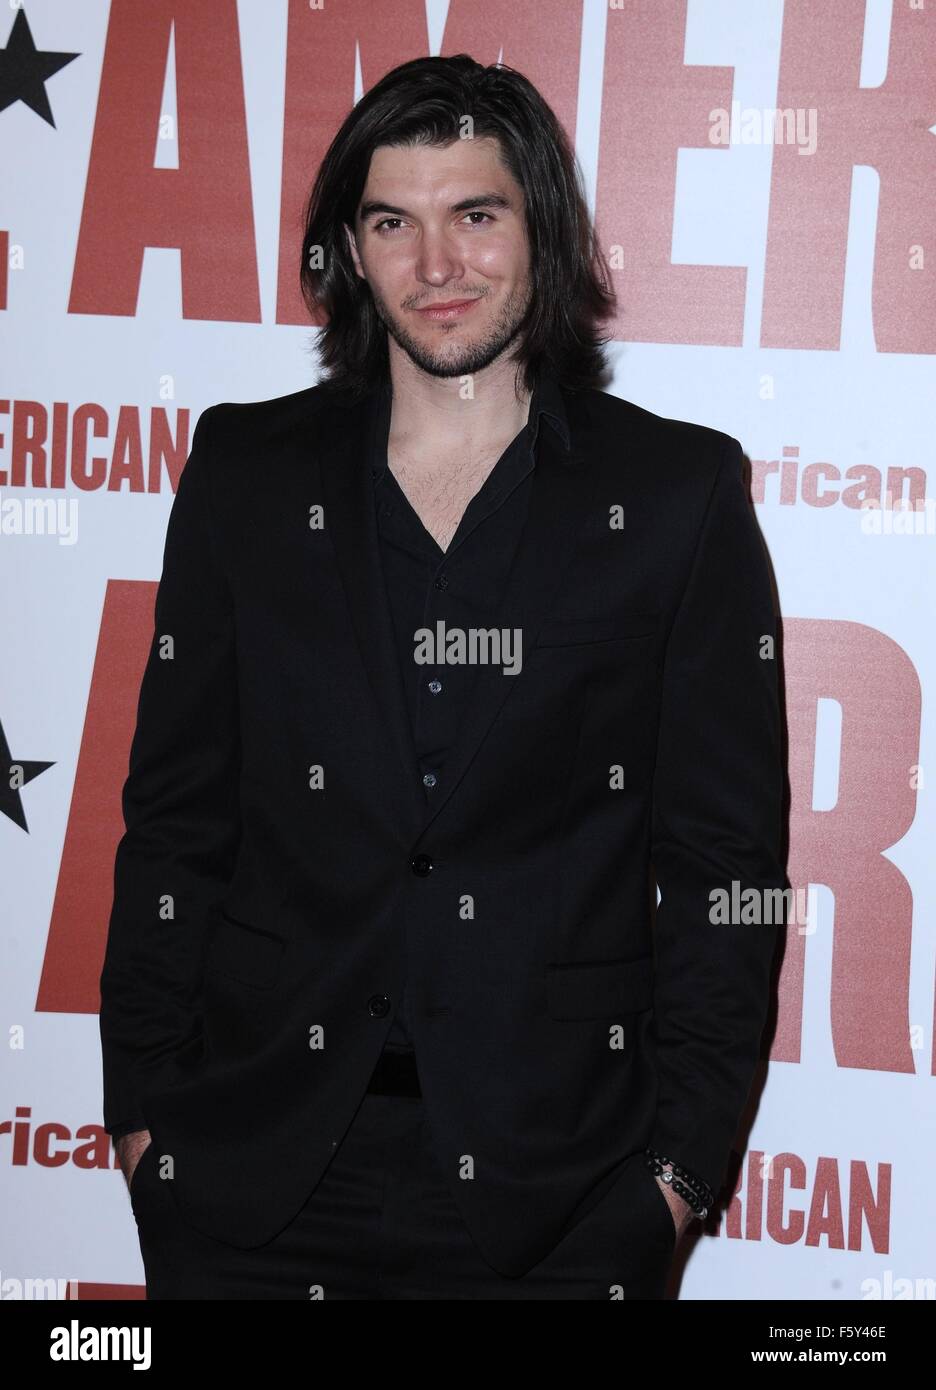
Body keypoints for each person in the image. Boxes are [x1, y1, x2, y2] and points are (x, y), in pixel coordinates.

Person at [99, 54, 786, 1299]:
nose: (438, 266)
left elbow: (725, 871)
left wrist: (678, 1175)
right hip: (254, 1176)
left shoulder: (676, 499)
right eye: (391, 222)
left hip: (560, 1192)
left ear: (544, 230)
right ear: (349, 253)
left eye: (476, 214)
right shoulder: (246, 475)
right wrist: (143, 1114)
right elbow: (175, 825)